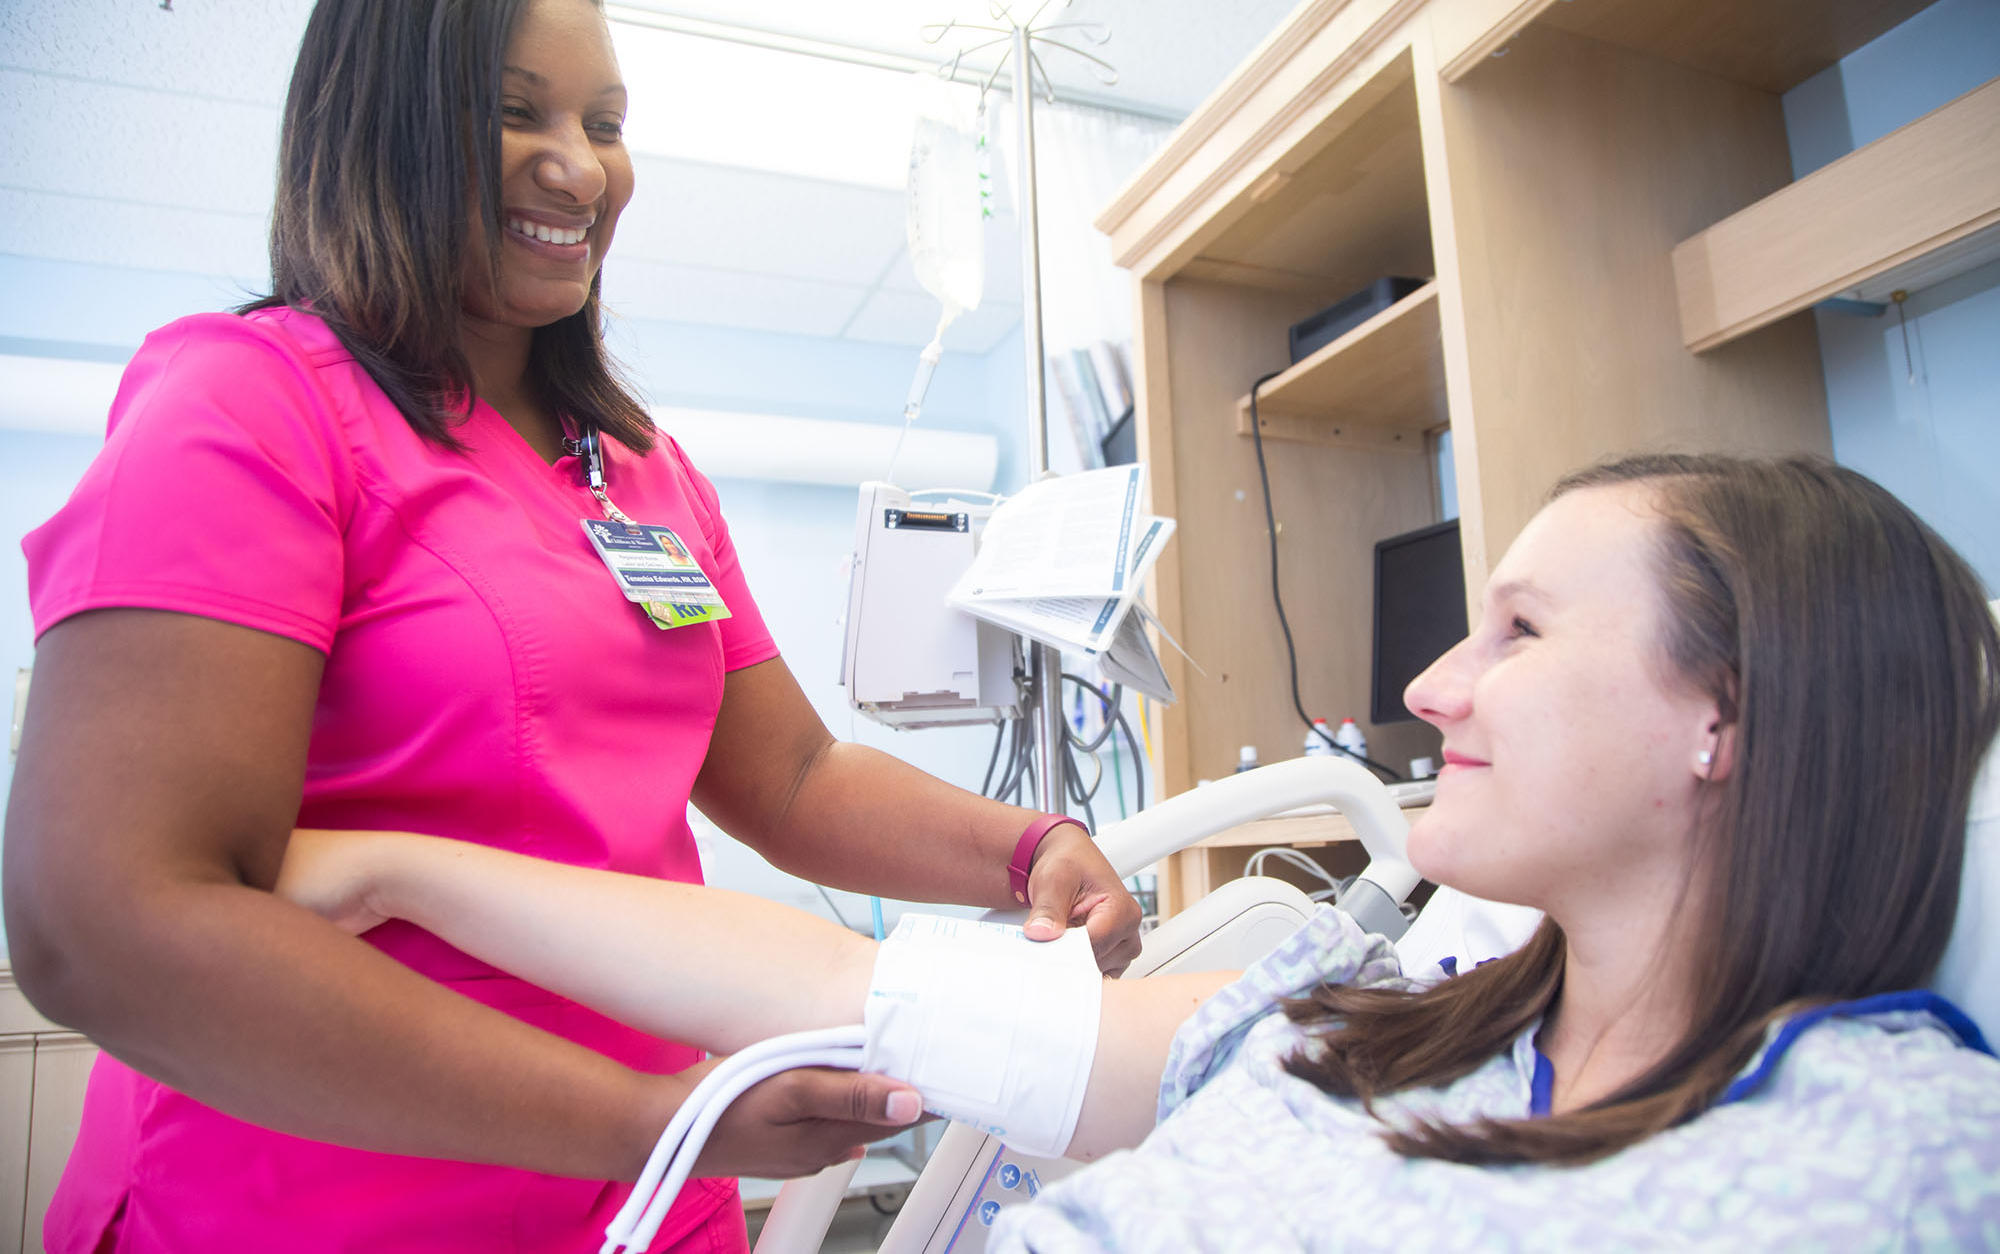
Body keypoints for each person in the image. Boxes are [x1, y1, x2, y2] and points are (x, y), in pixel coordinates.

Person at [2, 0, 1139, 1252]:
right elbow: (106, 922)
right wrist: (649, 1115)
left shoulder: (645, 474)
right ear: (386, 130)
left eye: (604, 120)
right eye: (514, 113)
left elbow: (792, 781)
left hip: (651, 1200)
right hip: (324, 1200)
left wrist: (1025, 845)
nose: (580, 164)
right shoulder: (252, 406)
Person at [275, 453, 2000, 1249]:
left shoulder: (1891, 1155)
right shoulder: (1398, 997)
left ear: (1730, 720)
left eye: (1524, 629)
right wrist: (405, 872)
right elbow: (855, 984)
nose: (1428, 681)